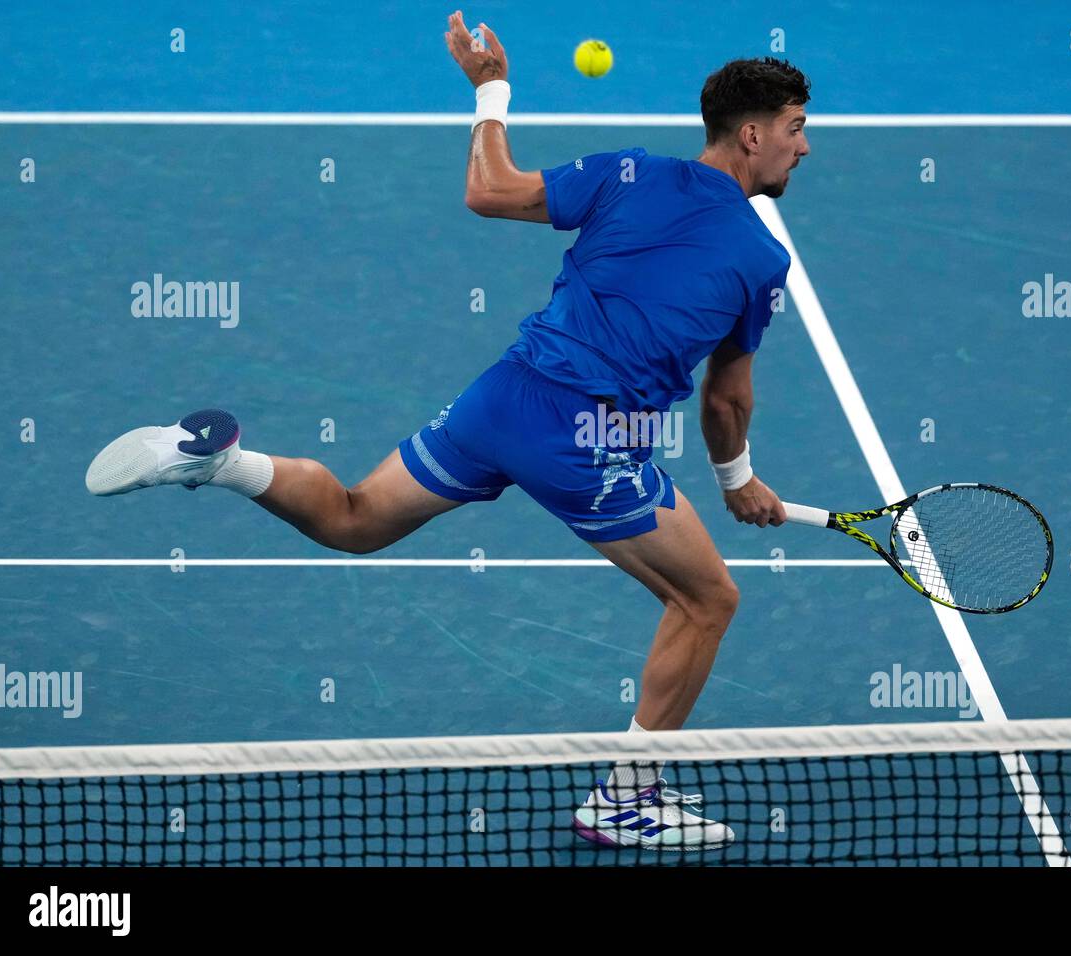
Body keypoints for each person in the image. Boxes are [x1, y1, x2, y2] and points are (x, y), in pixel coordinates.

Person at [85, 9, 810, 852]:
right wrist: (736, 483)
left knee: (355, 519)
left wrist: (490, 87)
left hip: (502, 398)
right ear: (751, 135)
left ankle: (221, 464)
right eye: (796, 130)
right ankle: (624, 800)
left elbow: (486, 190)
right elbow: (725, 402)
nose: (805, 147)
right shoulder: (762, 260)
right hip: (590, 439)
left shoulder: (628, 172)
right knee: (707, 597)